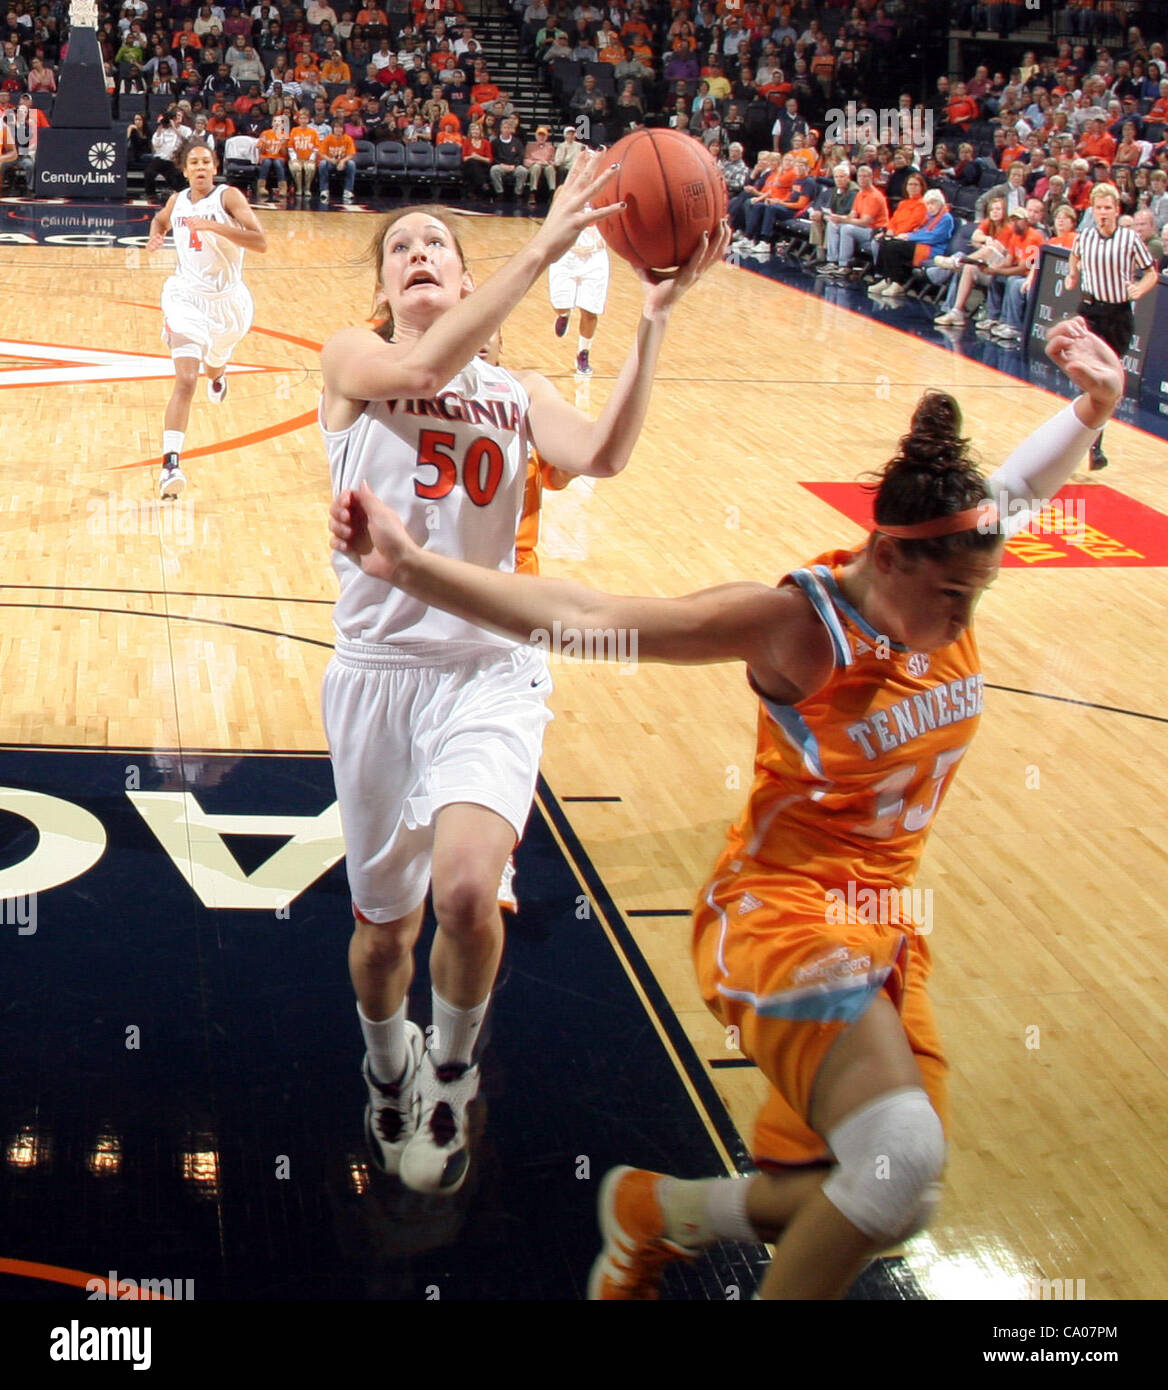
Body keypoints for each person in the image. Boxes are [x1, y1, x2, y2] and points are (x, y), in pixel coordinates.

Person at [327, 316, 1124, 1294]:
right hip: (779, 918)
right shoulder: (800, 626)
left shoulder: (947, 562)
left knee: (890, 1193)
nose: (965, 618)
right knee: (900, 1160)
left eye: (974, 596)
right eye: (955, 598)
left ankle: (664, 1213)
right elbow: (595, 624)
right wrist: (413, 568)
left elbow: (1018, 490)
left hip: (880, 919)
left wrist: (1092, 409)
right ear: (891, 560)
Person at [316, 165, 728, 1196]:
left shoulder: (518, 391)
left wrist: (654, 321)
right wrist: (539, 251)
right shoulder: (351, 358)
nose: (418, 253)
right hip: (377, 672)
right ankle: (386, 1070)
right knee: (381, 939)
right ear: (384, 289)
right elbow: (424, 373)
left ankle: (451, 1073)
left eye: (436, 246)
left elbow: (602, 454)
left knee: (465, 890)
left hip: (491, 668)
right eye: (401, 246)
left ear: (463, 279)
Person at [146, 141, 268, 499]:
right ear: (184, 170)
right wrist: (157, 234)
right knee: (186, 379)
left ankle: (219, 371)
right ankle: (171, 465)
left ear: (214, 167)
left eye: (205, 161)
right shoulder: (177, 200)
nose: (199, 167)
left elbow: (260, 242)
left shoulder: (228, 198)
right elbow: (160, 219)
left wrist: (215, 228)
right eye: (193, 162)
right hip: (185, 297)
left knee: (214, 365)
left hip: (227, 304)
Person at [1065, 181, 1159, 468]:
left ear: (1117, 210)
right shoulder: (1084, 237)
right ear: (1092, 210)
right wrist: (1071, 275)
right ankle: (1083, 441)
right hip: (1090, 310)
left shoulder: (1130, 240)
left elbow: (1151, 273)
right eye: (1098, 208)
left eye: (1108, 208)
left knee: (1107, 380)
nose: (1103, 213)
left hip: (1117, 314)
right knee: (1085, 377)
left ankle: (1094, 445)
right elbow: (1074, 256)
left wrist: (1139, 290)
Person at [547, 221, 610, 375]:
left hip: (595, 257)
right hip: (566, 255)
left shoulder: (605, 198)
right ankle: (564, 314)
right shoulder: (566, 196)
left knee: (589, 311)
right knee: (560, 304)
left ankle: (583, 353)